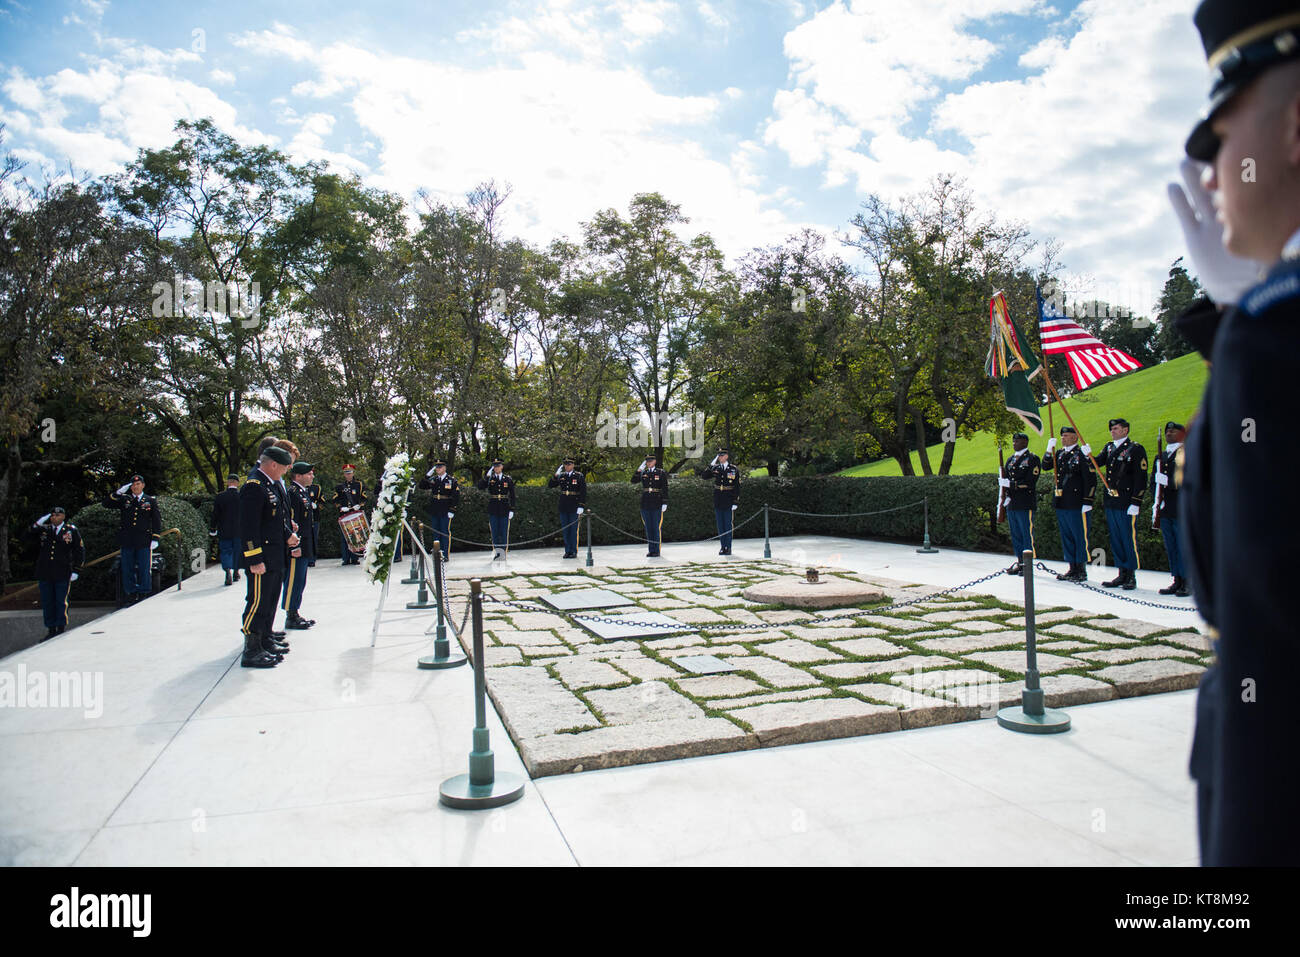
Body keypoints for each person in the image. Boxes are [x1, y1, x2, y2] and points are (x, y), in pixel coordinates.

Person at [1168, 0, 1300, 865]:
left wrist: (1250, 322)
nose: (1209, 171)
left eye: (1220, 135)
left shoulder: (1275, 341)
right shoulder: (1266, 334)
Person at [239, 445, 294, 667]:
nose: (283, 473)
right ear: (273, 465)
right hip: (262, 557)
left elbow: (274, 521)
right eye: (283, 468)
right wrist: (254, 559)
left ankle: (263, 640)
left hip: (274, 555)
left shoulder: (268, 485)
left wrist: (288, 535)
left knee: (270, 599)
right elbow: (248, 527)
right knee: (257, 602)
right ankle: (251, 650)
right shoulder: (254, 486)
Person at [1092, 418, 1147, 589]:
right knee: (1116, 539)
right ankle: (1121, 573)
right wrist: (1087, 455)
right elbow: (1097, 463)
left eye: (1116, 428)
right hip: (1112, 501)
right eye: (1111, 429)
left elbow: (1141, 477)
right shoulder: (1109, 447)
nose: (1113, 431)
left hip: (1126, 501)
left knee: (1127, 538)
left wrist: (1136, 501)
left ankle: (1130, 575)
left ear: (1125, 430)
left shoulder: (1135, 449)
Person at [1041, 426, 1097, 581]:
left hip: (1076, 502)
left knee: (1079, 536)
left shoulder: (1081, 455)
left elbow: (1090, 479)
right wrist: (1048, 450)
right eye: (1062, 436)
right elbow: (1045, 466)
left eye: (1066, 435)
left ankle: (1081, 570)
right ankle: (1072, 568)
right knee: (1067, 536)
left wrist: (1088, 500)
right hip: (1062, 501)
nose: (1063, 438)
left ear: (1075, 438)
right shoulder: (1058, 453)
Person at [103, 473, 162, 604]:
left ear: (143, 485)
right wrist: (118, 493)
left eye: (138, 484)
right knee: (127, 567)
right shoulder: (125, 499)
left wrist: (155, 538)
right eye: (133, 485)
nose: (136, 487)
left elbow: (156, 520)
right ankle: (131, 592)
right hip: (127, 539)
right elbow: (106, 504)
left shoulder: (150, 500)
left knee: (144, 567)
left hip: (143, 539)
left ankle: (143, 592)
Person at [30, 506, 84, 641]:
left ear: (63, 517)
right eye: (53, 515)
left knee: (60, 601)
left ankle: (60, 628)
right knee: (48, 601)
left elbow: (79, 550)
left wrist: (77, 570)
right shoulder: (44, 530)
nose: (55, 518)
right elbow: (27, 536)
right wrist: (38, 523)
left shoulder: (71, 530)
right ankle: (51, 629)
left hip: (62, 571)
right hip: (45, 572)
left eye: (58, 515)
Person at [1151, 421, 1189, 596]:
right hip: (1165, 508)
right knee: (1171, 545)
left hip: (1182, 507)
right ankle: (1177, 579)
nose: (1169, 434)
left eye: (1173, 431)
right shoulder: (1161, 456)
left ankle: (1188, 581)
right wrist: (1157, 500)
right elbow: (1153, 482)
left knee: (1183, 545)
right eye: (1167, 431)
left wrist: (1170, 483)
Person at [997, 433, 1040, 575]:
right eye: (1014, 441)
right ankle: (1020, 562)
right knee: (1016, 535)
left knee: (1026, 534)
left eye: (1018, 441)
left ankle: (1028, 565)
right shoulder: (1010, 460)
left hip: (1025, 502)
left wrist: (1011, 484)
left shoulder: (1032, 459)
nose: (1015, 443)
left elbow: (1030, 482)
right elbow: (1007, 480)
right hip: (1012, 503)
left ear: (1025, 442)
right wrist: (1006, 493)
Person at [282, 461, 317, 629]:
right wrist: (294, 546)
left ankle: (295, 611)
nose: (312, 476)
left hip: (305, 543)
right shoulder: (292, 493)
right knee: (293, 580)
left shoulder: (303, 492)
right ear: (298, 476)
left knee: (300, 580)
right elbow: (290, 521)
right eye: (309, 473)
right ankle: (290, 615)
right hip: (297, 545)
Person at [418, 459, 460, 562]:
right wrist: (427, 476)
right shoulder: (434, 479)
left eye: (440, 467)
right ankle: (437, 553)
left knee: (444, 532)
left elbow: (456, 496)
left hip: (445, 509)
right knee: (436, 532)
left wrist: (452, 509)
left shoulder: (451, 480)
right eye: (436, 467)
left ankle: (445, 554)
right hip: (435, 509)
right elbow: (422, 486)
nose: (438, 469)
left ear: (444, 468)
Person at [702, 449, 740, 555]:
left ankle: (728, 547)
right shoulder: (716, 468)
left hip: (728, 499)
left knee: (727, 524)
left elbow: (736, 486)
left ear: (727, 456)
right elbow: (704, 476)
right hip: (718, 499)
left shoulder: (733, 469)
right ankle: (723, 547)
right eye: (719, 456)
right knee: (720, 525)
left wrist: (735, 501)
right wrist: (711, 464)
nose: (720, 458)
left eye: (722, 456)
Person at [476, 459, 516, 560]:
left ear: (502, 467)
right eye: (495, 466)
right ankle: (497, 553)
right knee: (494, 532)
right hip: (493, 508)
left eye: (498, 466)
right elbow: (480, 486)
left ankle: (503, 553)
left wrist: (512, 509)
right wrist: (486, 477)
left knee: (503, 532)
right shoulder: (490, 479)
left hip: (504, 508)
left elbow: (512, 495)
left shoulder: (507, 479)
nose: (496, 468)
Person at [547, 457, 586, 558]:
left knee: (573, 530)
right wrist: (555, 476)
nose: (567, 466)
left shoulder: (578, 476)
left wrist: (581, 505)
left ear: (573, 465)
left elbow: (583, 492)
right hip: (564, 506)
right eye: (565, 464)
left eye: (569, 464)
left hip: (574, 506)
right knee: (566, 530)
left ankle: (573, 551)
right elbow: (551, 485)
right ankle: (567, 550)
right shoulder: (562, 476)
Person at [632, 454, 669, 558]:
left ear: (655, 461)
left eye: (650, 460)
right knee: (648, 528)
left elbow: (665, 488)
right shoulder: (643, 472)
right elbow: (633, 481)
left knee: (656, 528)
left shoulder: (660, 473)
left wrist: (665, 502)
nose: (648, 462)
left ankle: (656, 550)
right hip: (645, 503)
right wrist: (639, 469)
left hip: (657, 502)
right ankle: (651, 550)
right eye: (647, 461)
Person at [332, 465, 367, 565]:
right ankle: (345, 558)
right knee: (345, 537)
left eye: (350, 473)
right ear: (344, 474)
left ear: (353, 473)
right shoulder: (339, 487)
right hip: (344, 514)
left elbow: (364, 498)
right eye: (346, 473)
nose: (348, 475)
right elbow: (335, 499)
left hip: (355, 514)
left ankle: (355, 558)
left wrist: (359, 505)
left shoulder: (359, 485)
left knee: (355, 535)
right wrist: (340, 507)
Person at [210, 473, 241, 586]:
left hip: (224, 529)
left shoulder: (220, 496)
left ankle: (227, 571)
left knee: (225, 551)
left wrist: (213, 528)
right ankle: (236, 572)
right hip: (239, 530)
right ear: (237, 483)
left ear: (228, 482)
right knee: (237, 551)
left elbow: (215, 514)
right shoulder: (241, 495)